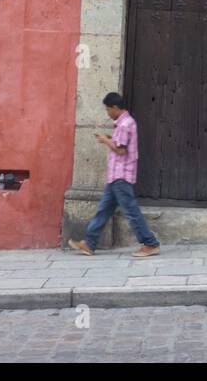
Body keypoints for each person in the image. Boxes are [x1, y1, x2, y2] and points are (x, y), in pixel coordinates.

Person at [67, 92, 161, 257]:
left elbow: (120, 149)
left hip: (121, 176)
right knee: (103, 210)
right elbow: (121, 143)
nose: (107, 112)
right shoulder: (124, 123)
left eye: (108, 109)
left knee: (131, 211)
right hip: (115, 176)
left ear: (115, 107)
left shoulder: (125, 124)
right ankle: (90, 243)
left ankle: (150, 244)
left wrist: (105, 140)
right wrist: (111, 138)